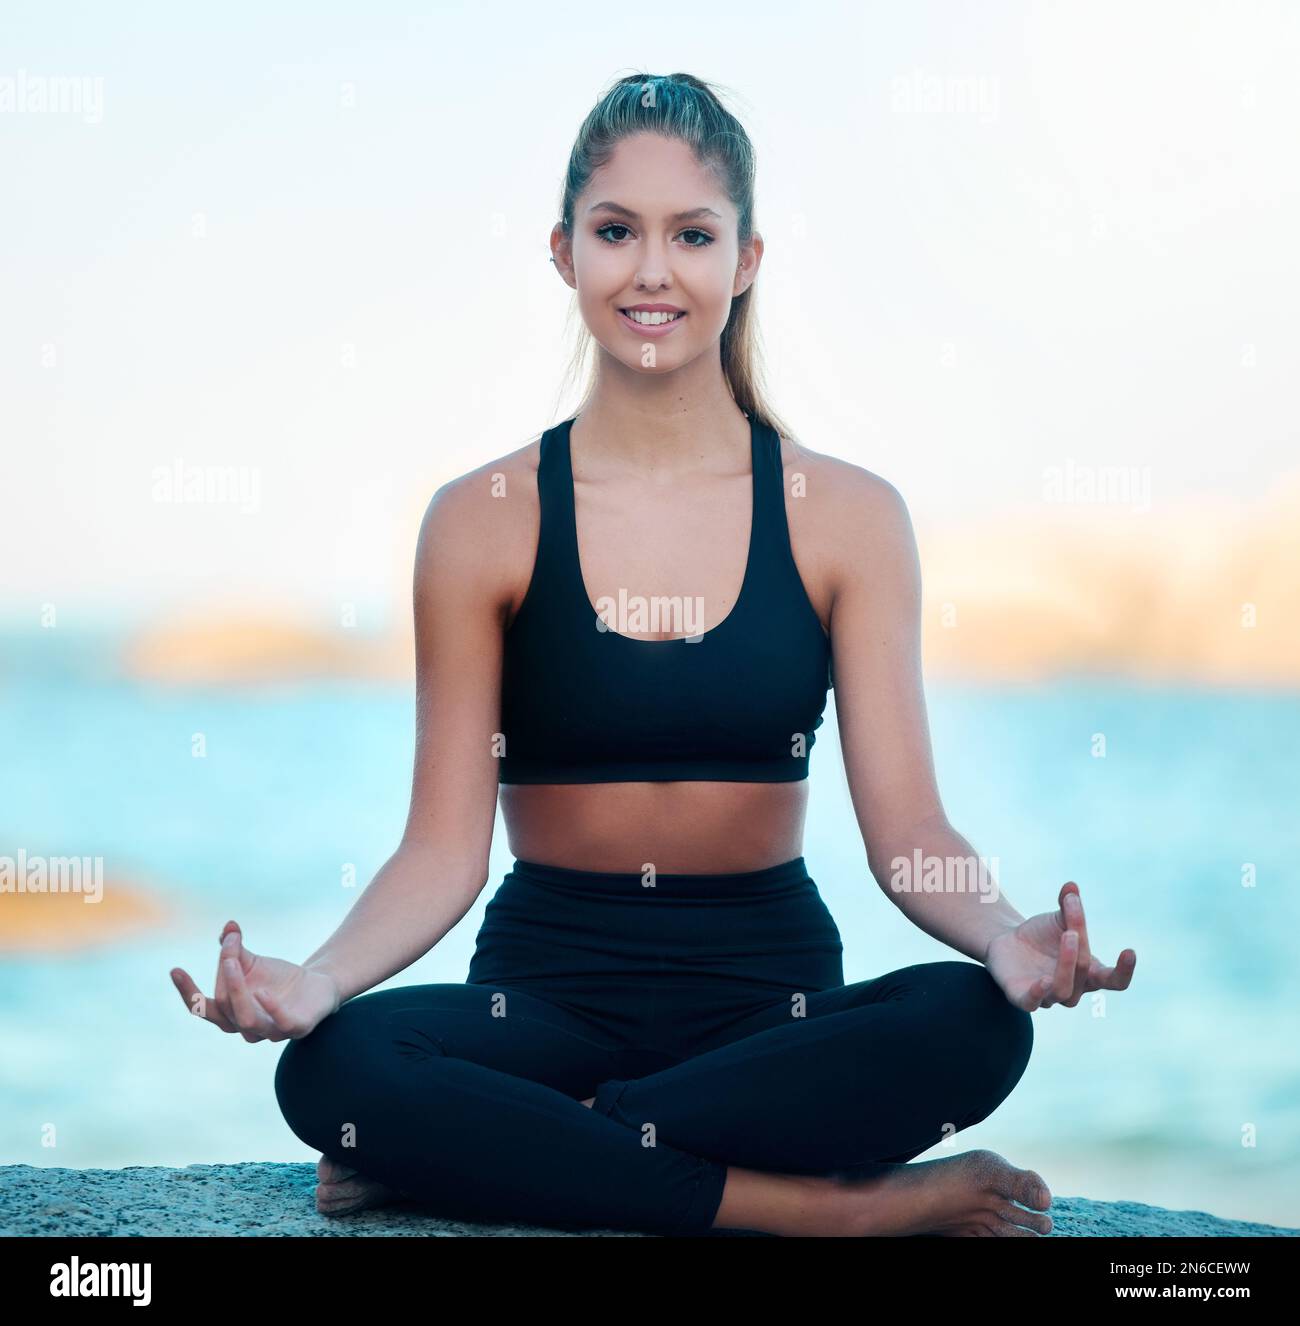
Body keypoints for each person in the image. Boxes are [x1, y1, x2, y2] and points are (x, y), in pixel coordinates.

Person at [170, 71, 1136, 1238]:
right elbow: (439, 852)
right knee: (329, 1074)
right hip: (537, 988)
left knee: (978, 1024)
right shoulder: (483, 516)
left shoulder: (845, 516)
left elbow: (910, 834)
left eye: (692, 234)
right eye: (615, 231)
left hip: (764, 1001)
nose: (650, 271)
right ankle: (827, 1212)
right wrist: (316, 983)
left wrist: (1004, 935)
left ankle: (509, 1144)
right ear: (563, 252)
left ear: (746, 259)